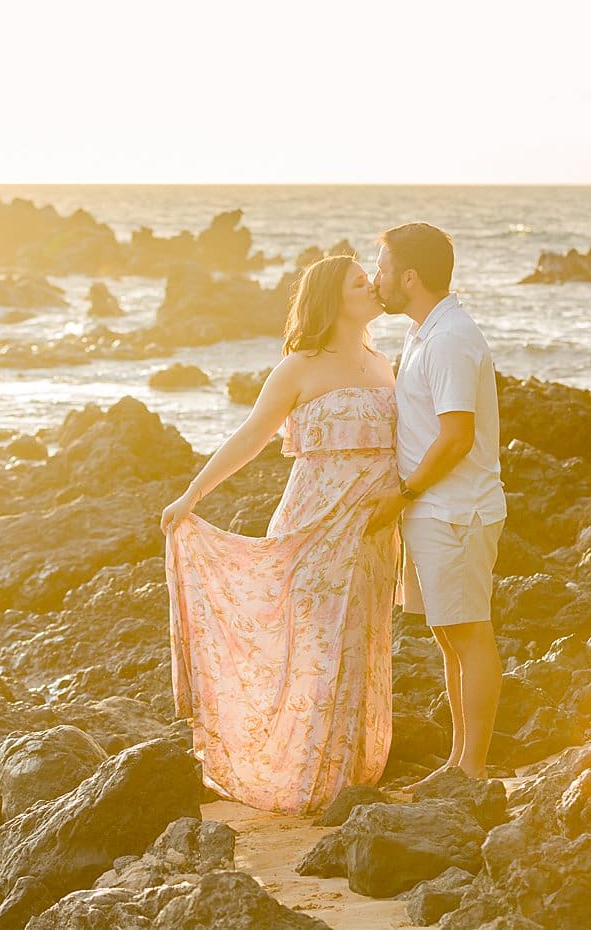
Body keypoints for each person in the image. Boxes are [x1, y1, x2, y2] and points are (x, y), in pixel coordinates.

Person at [161, 254, 400, 814]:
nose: (372, 287)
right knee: (315, 650)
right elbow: (251, 436)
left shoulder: (384, 363)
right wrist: (192, 494)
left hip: (373, 533)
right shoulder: (299, 367)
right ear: (332, 300)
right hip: (313, 528)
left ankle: (347, 775)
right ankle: (303, 779)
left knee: (361, 644)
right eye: (359, 283)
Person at [365, 222, 506, 783]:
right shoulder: (423, 331)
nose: (375, 280)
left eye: (381, 269)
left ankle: (473, 768)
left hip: (457, 513)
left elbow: (457, 437)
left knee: (470, 635)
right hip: (433, 510)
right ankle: (456, 761)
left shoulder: (450, 338)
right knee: (449, 638)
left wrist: (403, 494)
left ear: (409, 277)